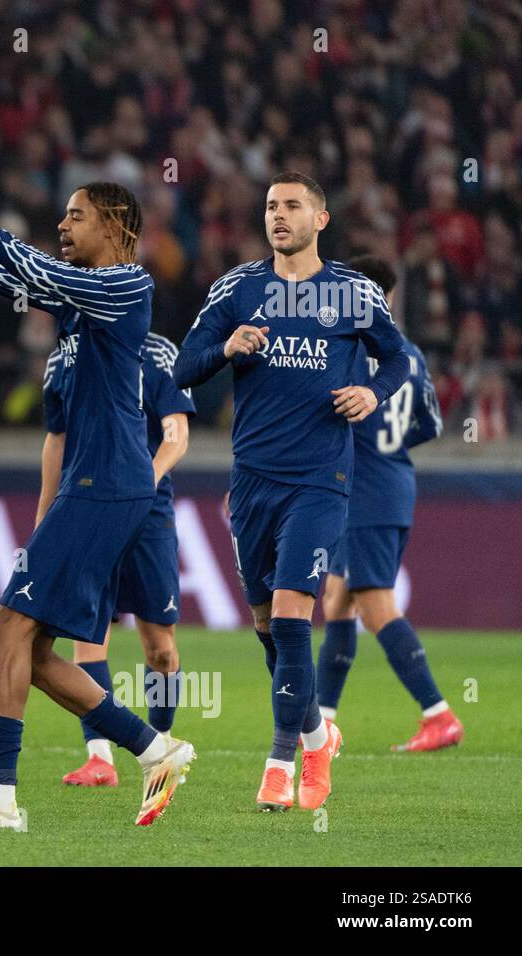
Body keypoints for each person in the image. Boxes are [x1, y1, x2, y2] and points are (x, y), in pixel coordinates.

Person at [0, 141, 196, 829]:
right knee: (29, 648)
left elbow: (24, 260)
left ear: (116, 229)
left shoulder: (128, 285)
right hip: (92, 484)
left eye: (76, 216)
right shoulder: (79, 303)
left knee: (8, 628)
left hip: (110, 483)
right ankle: (154, 747)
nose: (63, 226)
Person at [172, 173, 410, 812]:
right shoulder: (239, 288)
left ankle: (283, 764)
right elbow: (182, 365)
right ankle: (317, 732)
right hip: (251, 480)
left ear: (321, 219)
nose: (279, 215)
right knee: (267, 628)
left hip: (321, 479)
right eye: (272, 206)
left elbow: (398, 360)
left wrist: (372, 392)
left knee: (289, 613)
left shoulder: (353, 293)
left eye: (292, 206)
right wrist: (225, 346)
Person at [317, 255, 462, 751]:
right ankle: (322, 721)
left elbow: (327, 413)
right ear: (391, 296)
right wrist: (391, 445)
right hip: (396, 483)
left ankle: (438, 713)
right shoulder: (410, 354)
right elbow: (434, 424)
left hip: (363, 492)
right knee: (337, 600)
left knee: (376, 605)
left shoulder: (351, 348)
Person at [47, 332, 194, 787]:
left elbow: (177, 432)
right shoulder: (66, 354)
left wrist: (142, 478)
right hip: (87, 505)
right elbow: (57, 437)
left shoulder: (158, 351)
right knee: (88, 634)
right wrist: (43, 516)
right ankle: (99, 758)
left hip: (147, 509)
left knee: (161, 650)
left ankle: (162, 744)